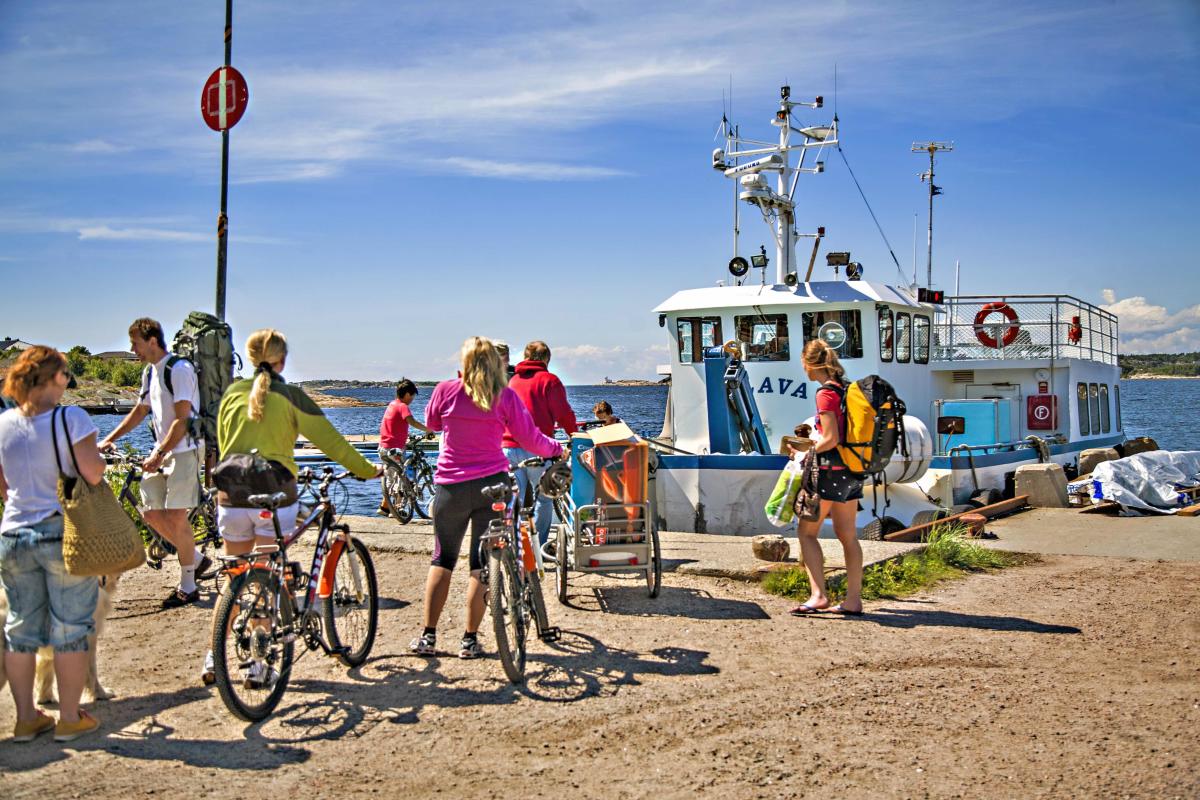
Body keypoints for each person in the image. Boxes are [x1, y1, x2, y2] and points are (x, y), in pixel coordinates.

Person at [201, 329, 382, 685]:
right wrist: (368, 470)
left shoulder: (231, 395)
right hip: (273, 492)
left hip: (231, 496)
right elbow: (333, 444)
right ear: (282, 360)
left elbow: (223, 446)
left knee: (236, 577)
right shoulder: (292, 396)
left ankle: (213, 657)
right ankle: (258, 664)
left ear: (251, 358)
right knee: (267, 575)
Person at [410, 337, 560, 660]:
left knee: (443, 559)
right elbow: (529, 438)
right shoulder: (503, 395)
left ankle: (428, 636)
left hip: (450, 487)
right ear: (496, 364)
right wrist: (556, 448)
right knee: (481, 565)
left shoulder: (445, 390)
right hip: (492, 485)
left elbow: (433, 423)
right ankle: (469, 640)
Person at [0, 346, 104, 741]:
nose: (67, 382)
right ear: (52, 378)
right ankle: (70, 717)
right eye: (64, 375)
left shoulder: (5, 422)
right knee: (71, 628)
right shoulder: (70, 418)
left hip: (13, 532)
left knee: (20, 629)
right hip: (59, 530)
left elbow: (5, 483)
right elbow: (92, 473)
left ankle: (27, 717)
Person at [98, 318, 207, 608]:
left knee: (175, 517)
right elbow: (140, 410)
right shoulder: (149, 373)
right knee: (150, 512)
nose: (132, 349)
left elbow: (183, 420)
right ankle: (195, 559)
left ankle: (188, 585)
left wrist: (158, 453)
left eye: (135, 343)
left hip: (184, 451)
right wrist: (110, 438)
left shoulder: (179, 369)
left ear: (152, 341)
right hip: (162, 452)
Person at [789, 340, 865, 617]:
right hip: (853, 470)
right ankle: (853, 600)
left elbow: (831, 438)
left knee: (806, 532)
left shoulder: (825, 393)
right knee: (848, 536)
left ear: (810, 364)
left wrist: (804, 452)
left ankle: (819, 595)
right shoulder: (846, 389)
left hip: (830, 472)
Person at [502, 341, 577, 547]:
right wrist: (574, 435)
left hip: (507, 447)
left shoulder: (513, 381)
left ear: (525, 357)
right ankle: (537, 548)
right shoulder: (550, 381)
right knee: (543, 500)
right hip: (537, 449)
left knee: (511, 501)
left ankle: (511, 546)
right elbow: (563, 414)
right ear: (546, 359)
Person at [376, 378, 432, 515]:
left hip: (383, 447)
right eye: (412, 395)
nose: (412, 399)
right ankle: (398, 508)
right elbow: (411, 421)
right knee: (401, 477)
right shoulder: (402, 406)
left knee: (392, 477)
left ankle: (385, 507)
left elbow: (396, 425)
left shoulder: (392, 404)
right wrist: (427, 430)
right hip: (395, 448)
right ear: (407, 394)